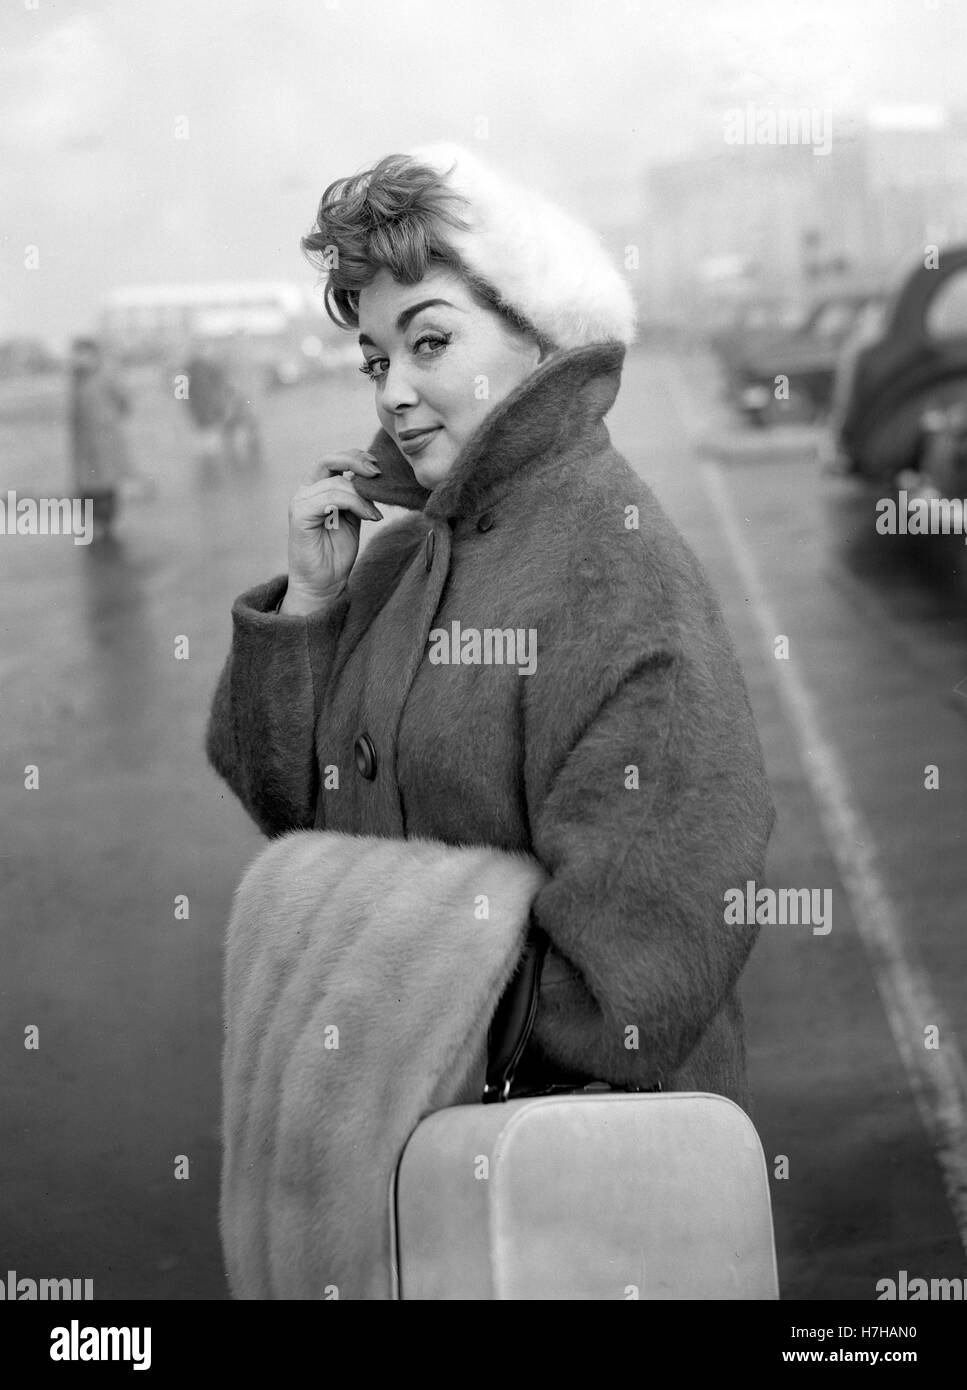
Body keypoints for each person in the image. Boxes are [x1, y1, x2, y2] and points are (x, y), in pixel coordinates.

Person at [206, 144, 776, 1110]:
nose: (390, 391)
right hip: (402, 1159)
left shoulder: (615, 573)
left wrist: (420, 1044)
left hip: (555, 1183)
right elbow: (293, 810)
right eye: (376, 359)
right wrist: (306, 607)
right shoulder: (395, 560)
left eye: (429, 344)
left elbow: (646, 964)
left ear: (542, 336)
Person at [68, 337, 132, 541]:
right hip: (84, 442)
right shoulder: (77, 378)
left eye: (82, 355)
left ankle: (106, 527)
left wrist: (108, 421)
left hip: (104, 440)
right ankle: (94, 525)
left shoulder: (107, 375)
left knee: (105, 484)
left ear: (93, 355)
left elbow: (124, 402)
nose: (78, 359)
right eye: (76, 355)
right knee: (87, 484)